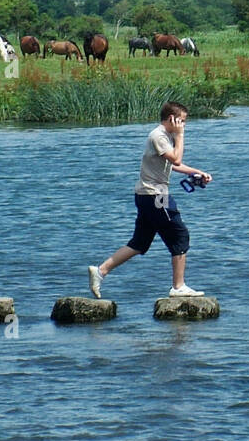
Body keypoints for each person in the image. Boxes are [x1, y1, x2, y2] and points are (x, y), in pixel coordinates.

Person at [89, 101, 211, 298]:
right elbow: (176, 159)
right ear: (171, 119)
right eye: (182, 121)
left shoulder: (166, 136)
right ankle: (178, 287)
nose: (184, 125)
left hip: (148, 195)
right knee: (180, 235)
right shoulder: (159, 136)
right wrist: (180, 136)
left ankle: (100, 271)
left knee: (140, 243)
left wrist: (197, 172)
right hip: (156, 196)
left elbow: (172, 165)